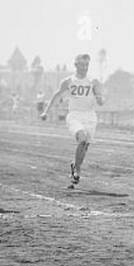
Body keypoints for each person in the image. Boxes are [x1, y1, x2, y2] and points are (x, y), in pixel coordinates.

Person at [41, 53, 104, 187]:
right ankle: (77, 170)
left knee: (85, 145)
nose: (85, 67)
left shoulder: (94, 81)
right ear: (76, 65)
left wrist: (100, 99)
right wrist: (46, 111)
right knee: (82, 138)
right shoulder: (68, 81)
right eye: (82, 64)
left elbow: (101, 100)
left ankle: (75, 165)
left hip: (90, 116)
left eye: (87, 65)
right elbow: (56, 96)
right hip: (75, 115)